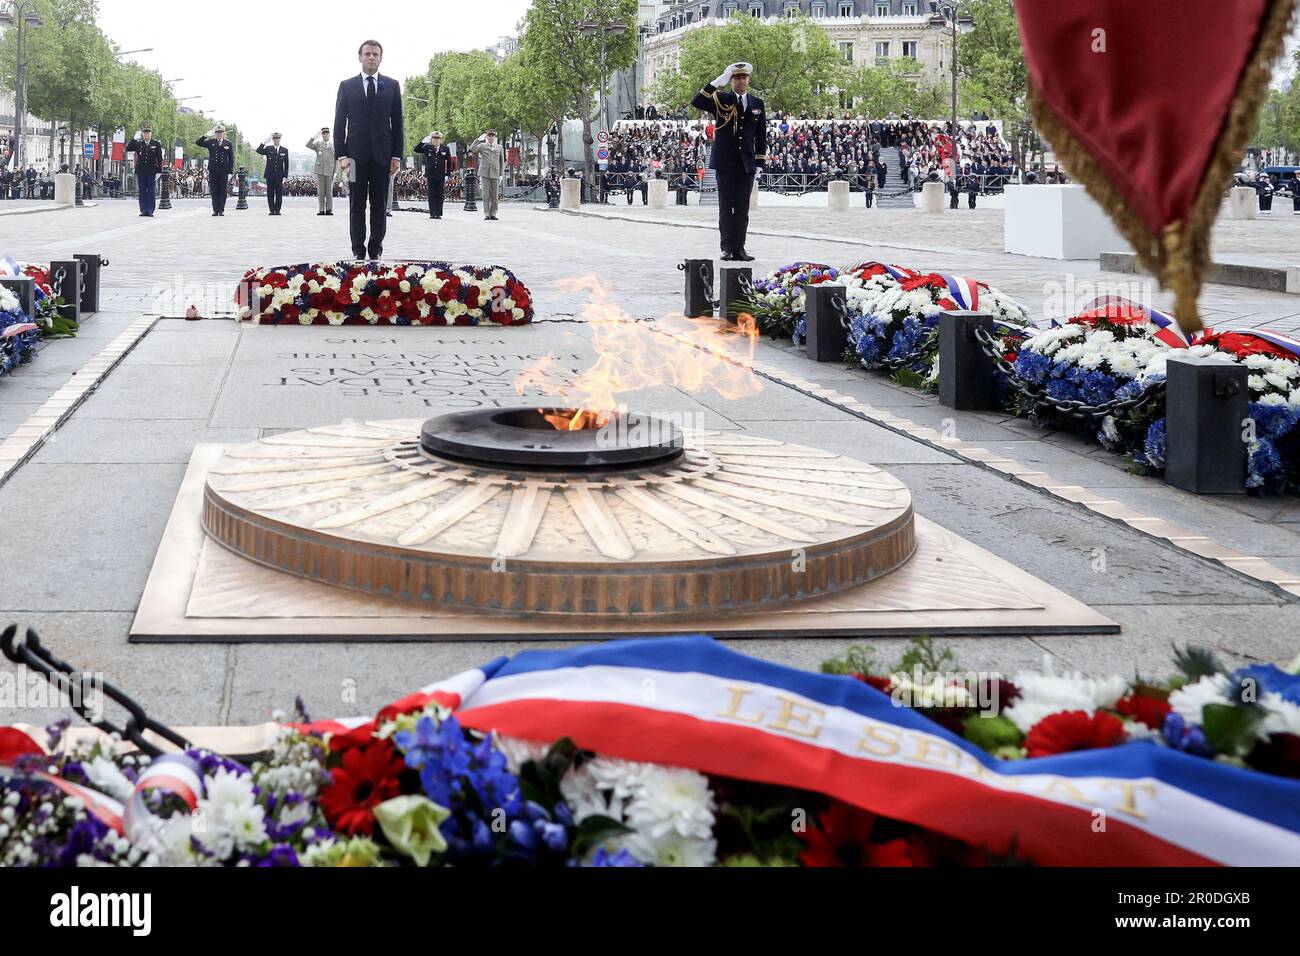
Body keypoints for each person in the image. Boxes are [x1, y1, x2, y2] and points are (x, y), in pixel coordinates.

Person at [334, 39, 404, 260]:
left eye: (375, 54)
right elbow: (339, 123)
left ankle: (375, 250)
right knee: (356, 205)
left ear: (381, 58)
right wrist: (342, 156)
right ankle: (358, 250)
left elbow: (398, 124)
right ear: (360, 57)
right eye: (367, 54)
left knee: (379, 206)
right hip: (354, 160)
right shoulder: (347, 86)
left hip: (383, 158)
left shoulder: (392, 86)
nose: (371, 57)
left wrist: (396, 156)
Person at [691, 62, 767, 261]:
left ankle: (739, 248)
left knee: (742, 209)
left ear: (748, 80)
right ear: (731, 81)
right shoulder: (720, 98)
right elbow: (697, 101)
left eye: (744, 78)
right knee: (726, 207)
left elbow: (761, 135)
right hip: (725, 161)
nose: (741, 81)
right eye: (736, 78)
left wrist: (760, 163)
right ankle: (726, 248)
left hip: (746, 162)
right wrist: (716, 82)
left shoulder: (757, 103)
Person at [196, 125, 235, 216]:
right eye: (217, 133)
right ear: (215, 134)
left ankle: (221, 210)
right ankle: (215, 210)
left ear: (223, 133)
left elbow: (231, 158)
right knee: (214, 190)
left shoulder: (228, 143)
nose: (219, 134)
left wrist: (230, 172)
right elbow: (198, 143)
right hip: (213, 170)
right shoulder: (211, 142)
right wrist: (205, 135)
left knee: (222, 190)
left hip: (223, 170)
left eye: (220, 132)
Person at [126, 126, 165, 217]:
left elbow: (159, 158)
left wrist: (159, 170)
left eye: (148, 133)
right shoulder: (139, 143)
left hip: (151, 171)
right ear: (142, 134)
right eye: (144, 133)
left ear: (151, 134)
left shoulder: (156, 144)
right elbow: (128, 148)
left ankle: (150, 210)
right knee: (142, 191)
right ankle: (143, 210)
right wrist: (134, 139)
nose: (146, 135)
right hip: (141, 171)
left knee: (151, 191)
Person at [414, 130, 451, 219]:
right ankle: (432, 213)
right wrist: (422, 142)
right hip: (430, 175)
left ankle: (438, 213)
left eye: (438, 138)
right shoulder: (427, 147)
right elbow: (416, 150)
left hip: (441, 175)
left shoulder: (445, 149)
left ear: (440, 140)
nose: (436, 140)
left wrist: (447, 174)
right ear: (431, 139)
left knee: (440, 194)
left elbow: (449, 162)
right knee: (431, 194)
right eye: (434, 138)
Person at [469, 129, 504, 220]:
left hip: (495, 173)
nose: (491, 137)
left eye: (492, 136)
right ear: (487, 137)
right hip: (485, 173)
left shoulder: (499, 147)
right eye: (489, 135)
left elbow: (501, 161)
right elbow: (472, 149)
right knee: (486, 195)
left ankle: (493, 213)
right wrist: (478, 140)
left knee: (494, 195)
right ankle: (486, 213)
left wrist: (501, 174)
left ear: (495, 137)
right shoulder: (482, 146)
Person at [305, 127, 337, 216]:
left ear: (329, 135)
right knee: (321, 192)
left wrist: (335, 171)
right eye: (324, 133)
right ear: (322, 135)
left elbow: (336, 159)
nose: (325, 135)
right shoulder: (318, 144)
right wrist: (313, 138)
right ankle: (321, 209)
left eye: (327, 133)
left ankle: (329, 209)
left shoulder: (333, 145)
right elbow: (308, 145)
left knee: (329, 192)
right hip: (320, 171)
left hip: (330, 171)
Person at [256, 132, 290, 215]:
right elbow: (259, 150)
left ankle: (277, 210)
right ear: (272, 139)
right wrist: (264, 142)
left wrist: (285, 175)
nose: (276, 140)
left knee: (279, 193)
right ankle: (271, 210)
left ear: (280, 139)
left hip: (279, 175)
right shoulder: (268, 148)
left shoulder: (284, 150)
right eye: (274, 138)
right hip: (270, 174)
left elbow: (286, 163)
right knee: (270, 193)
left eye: (277, 138)